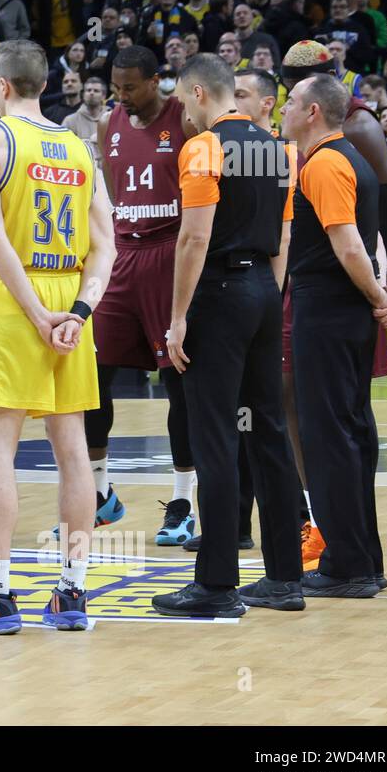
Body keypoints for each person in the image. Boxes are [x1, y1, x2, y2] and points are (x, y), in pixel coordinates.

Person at [0, 39, 116, 634]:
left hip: (18, 304)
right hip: (71, 300)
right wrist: (79, 313)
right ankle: (72, 593)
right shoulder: (80, 149)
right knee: (74, 454)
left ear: (1, 84)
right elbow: (106, 245)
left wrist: (39, 315)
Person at [154, 54, 304, 617]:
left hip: (218, 294)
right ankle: (286, 579)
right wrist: (266, 297)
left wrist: (177, 317)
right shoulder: (279, 149)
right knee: (268, 433)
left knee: (215, 438)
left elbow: (193, 240)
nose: (181, 114)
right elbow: (284, 240)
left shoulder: (203, 148)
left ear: (199, 94)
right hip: (265, 291)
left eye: (180, 99)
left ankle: (216, 586)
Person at [280, 74, 387, 599]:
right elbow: (370, 242)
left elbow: (349, 246)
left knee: (330, 438)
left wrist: (381, 298)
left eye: (291, 103)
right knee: (352, 433)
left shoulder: (328, 163)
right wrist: (380, 293)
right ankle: (362, 561)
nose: (284, 110)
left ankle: (346, 566)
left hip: (330, 312)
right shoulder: (348, 159)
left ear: (313, 112)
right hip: (346, 312)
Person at [87, 46, 196, 544]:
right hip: (121, 255)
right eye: (116, 85)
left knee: (178, 383)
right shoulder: (110, 121)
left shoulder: (186, 120)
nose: (121, 95)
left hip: (170, 251)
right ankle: (99, 494)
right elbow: (111, 194)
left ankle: (183, 502)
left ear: (157, 81)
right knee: (90, 380)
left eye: (130, 86)